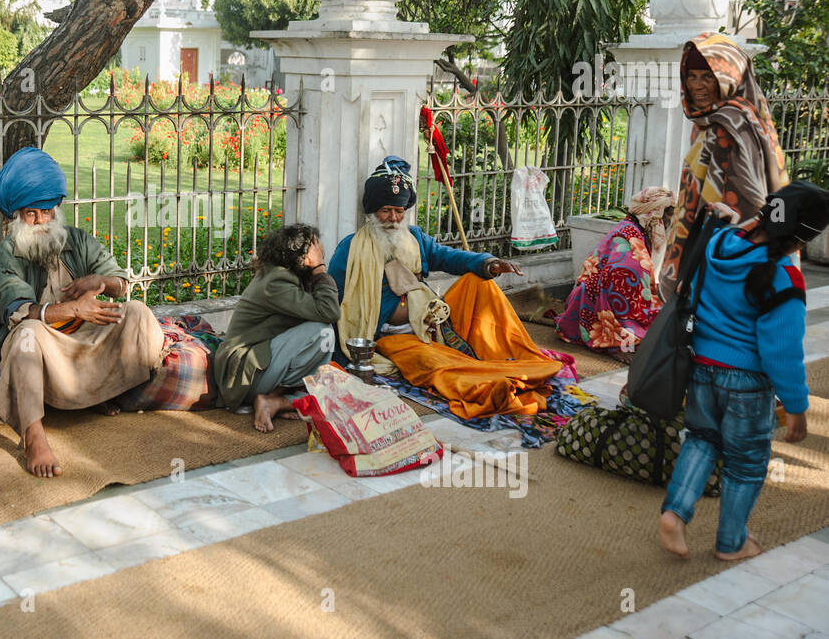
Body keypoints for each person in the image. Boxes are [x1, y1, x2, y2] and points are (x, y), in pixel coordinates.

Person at [0, 147, 164, 478]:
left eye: (46, 212)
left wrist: (101, 281)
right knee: (28, 334)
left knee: (136, 314)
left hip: (80, 344)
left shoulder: (77, 241)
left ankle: (98, 394)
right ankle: (34, 435)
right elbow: (18, 311)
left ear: (57, 209)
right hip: (39, 350)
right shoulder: (6, 256)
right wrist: (70, 307)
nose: (40, 221)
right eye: (30, 214)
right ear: (16, 214)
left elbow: (121, 283)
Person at [659, 181, 829, 561]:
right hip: (748, 385)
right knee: (746, 463)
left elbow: (743, 229)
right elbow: (781, 352)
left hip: (701, 368)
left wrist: (745, 219)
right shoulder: (783, 277)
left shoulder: (719, 245)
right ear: (802, 238)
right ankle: (731, 542)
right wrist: (797, 408)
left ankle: (674, 513)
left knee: (702, 439)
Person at [329, 156, 565, 421]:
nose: (393, 218)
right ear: (371, 213)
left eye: (399, 211)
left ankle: (513, 355)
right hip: (389, 338)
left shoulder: (415, 238)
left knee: (478, 281)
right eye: (385, 210)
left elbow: (449, 257)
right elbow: (332, 297)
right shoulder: (350, 248)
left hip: (434, 322)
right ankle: (485, 387)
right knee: (434, 364)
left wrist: (489, 263)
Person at [659, 32, 789, 300]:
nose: (697, 85)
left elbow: (742, 200)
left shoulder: (728, 125)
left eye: (708, 76)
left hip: (721, 251)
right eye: (692, 76)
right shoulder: (714, 121)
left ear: (729, 77)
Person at [213, 224, 339, 433]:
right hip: (242, 376)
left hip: (260, 366)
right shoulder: (277, 282)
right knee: (322, 331)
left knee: (331, 391)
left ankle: (276, 402)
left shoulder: (285, 276)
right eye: (317, 251)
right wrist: (319, 268)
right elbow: (329, 311)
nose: (322, 253)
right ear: (304, 257)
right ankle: (272, 400)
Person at [556, 186, 676, 360]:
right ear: (654, 215)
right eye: (667, 217)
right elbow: (624, 292)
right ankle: (620, 344)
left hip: (587, 299)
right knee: (664, 329)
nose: (668, 224)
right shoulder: (630, 239)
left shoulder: (630, 227)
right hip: (601, 306)